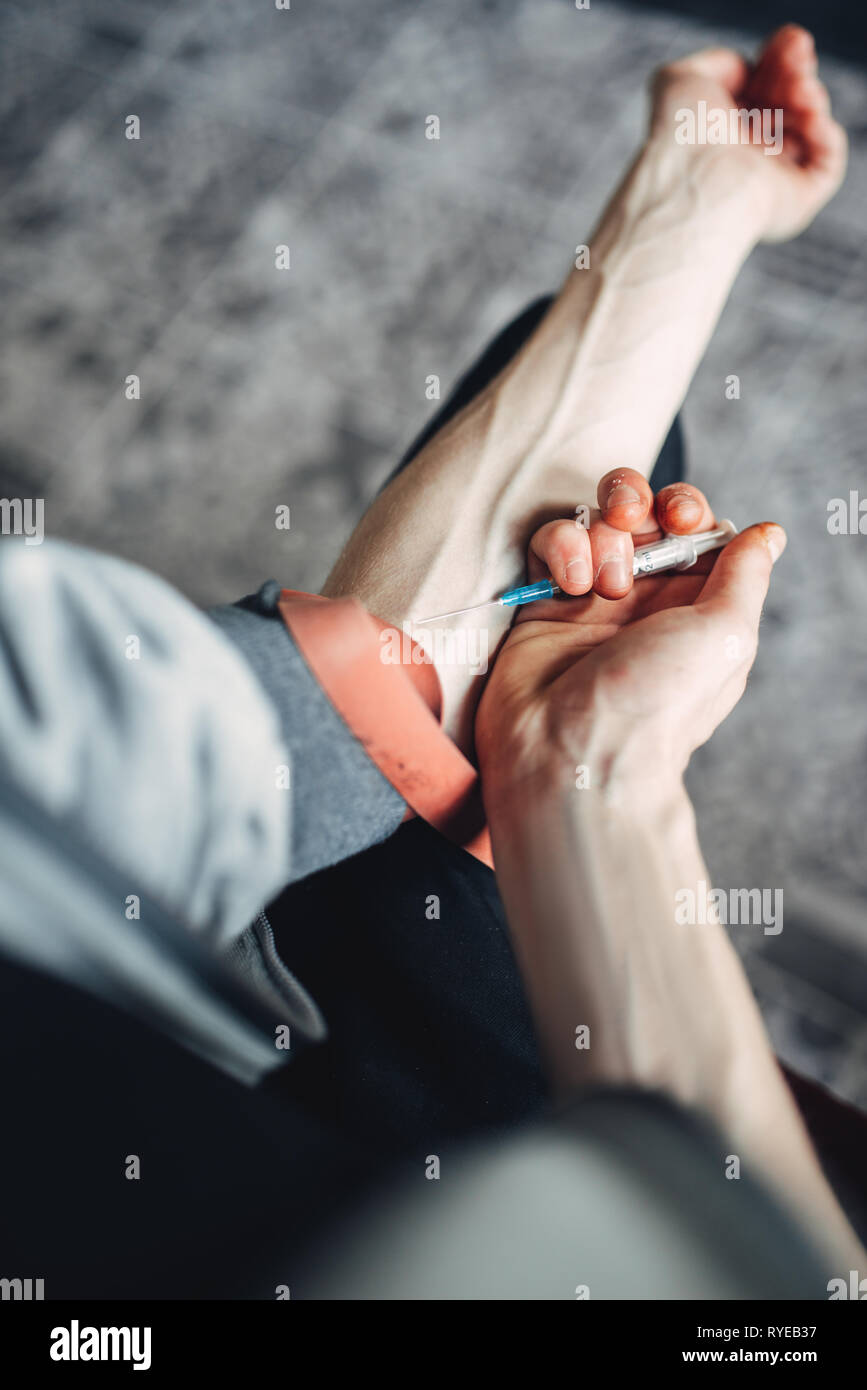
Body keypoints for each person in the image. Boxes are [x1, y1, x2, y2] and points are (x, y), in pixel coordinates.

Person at [0, 24, 861, 1298]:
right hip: (407, 1153)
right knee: (569, 477)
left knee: (554, 459)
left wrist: (591, 769)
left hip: (203, 994)